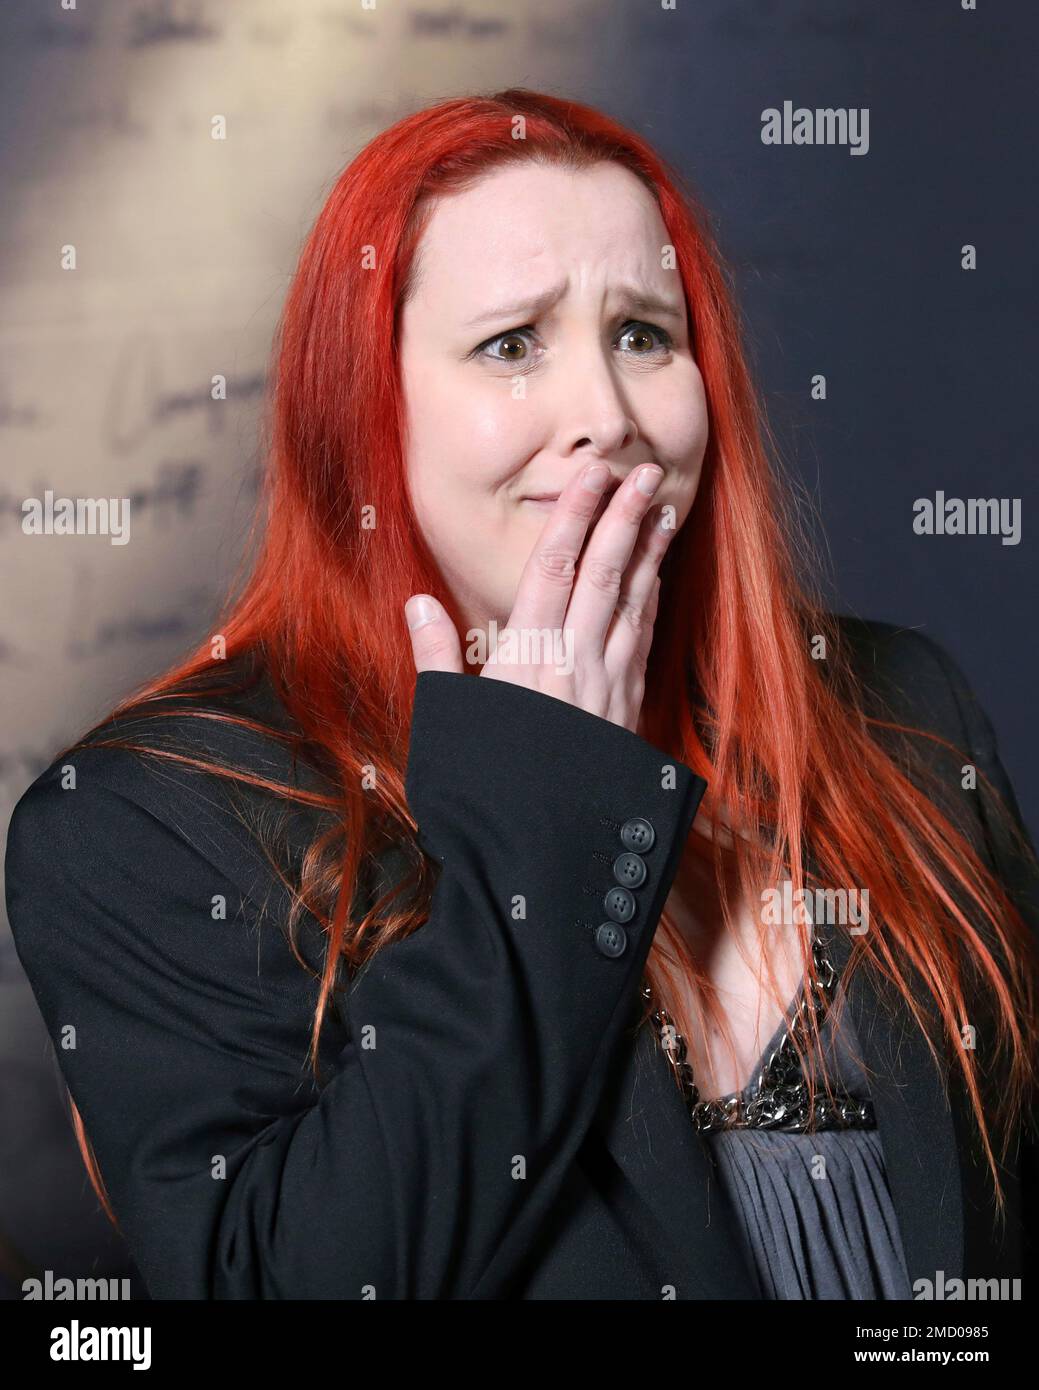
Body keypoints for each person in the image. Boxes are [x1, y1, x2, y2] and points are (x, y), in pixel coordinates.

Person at [5, 88, 1038, 1301]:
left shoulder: (902, 708)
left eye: (644, 335)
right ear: (365, 414)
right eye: (512, 344)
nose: (605, 418)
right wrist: (550, 793)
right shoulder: (142, 822)